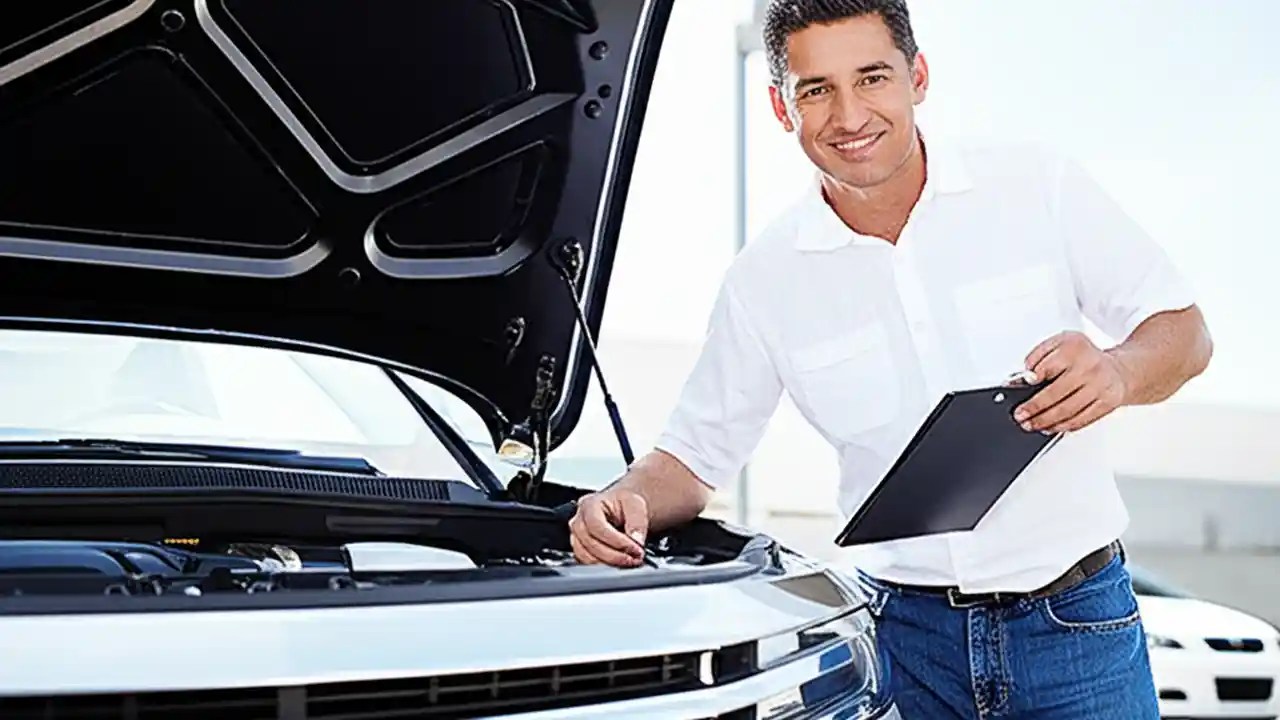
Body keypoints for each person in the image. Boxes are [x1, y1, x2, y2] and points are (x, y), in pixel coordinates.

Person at [567, 0, 1213, 717]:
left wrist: (1119, 371)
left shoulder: (1037, 186)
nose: (848, 115)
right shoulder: (764, 281)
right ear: (783, 108)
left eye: (872, 78)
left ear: (918, 77)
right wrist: (619, 500)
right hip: (905, 647)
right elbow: (689, 461)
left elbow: (1184, 334)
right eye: (816, 90)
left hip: (1077, 628)